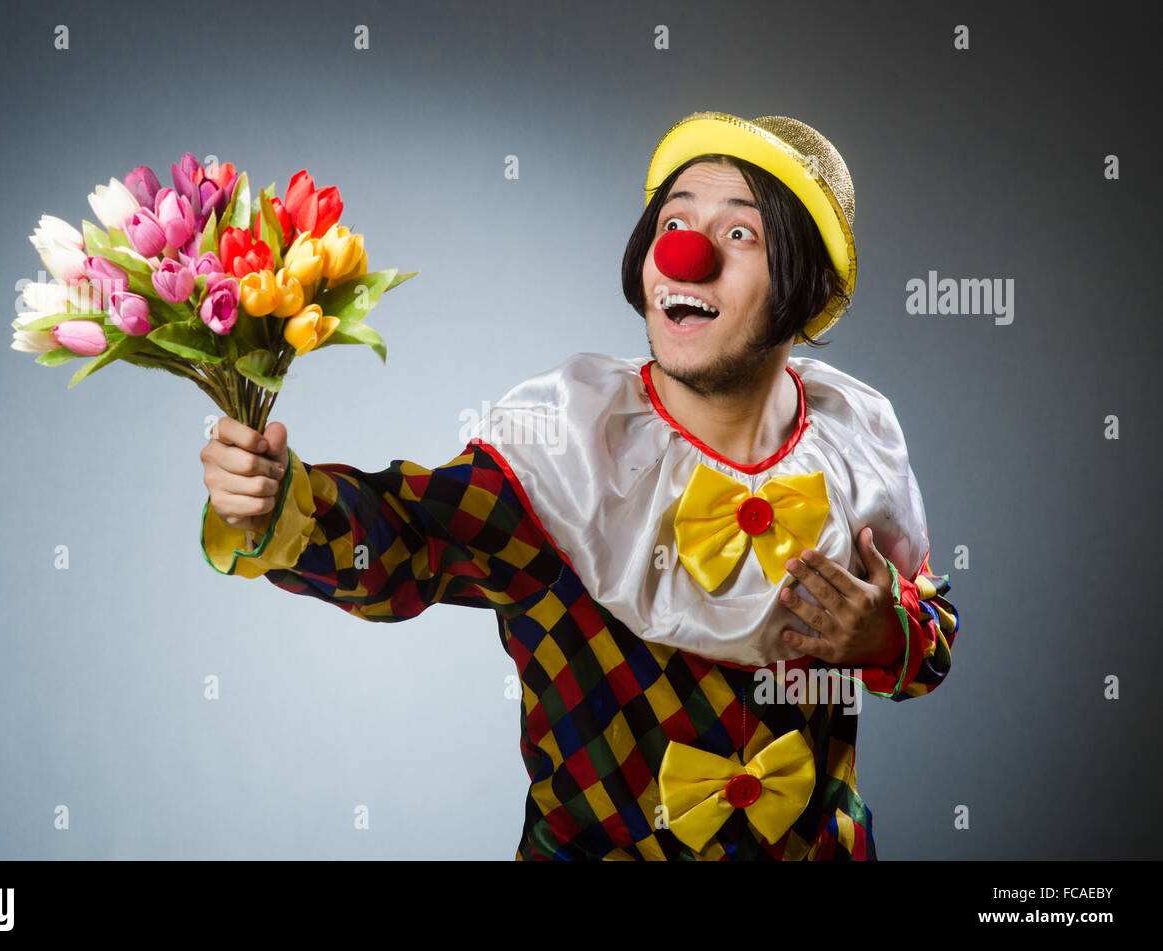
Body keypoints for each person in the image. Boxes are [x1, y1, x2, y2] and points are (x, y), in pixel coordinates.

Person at [198, 111, 959, 860]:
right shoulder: (565, 453)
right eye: (674, 224)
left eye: (739, 234)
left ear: (805, 282)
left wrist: (888, 632)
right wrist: (275, 500)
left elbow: (929, 637)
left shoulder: (853, 443)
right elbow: (406, 539)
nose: (688, 254)